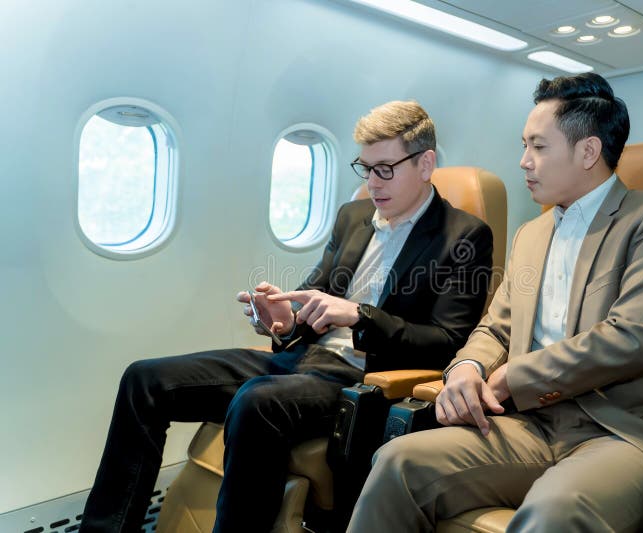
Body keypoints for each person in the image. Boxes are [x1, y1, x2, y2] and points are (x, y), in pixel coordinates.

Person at [79, 100, 493, 533]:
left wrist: (361, 317)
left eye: (385, 169)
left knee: (258, 401)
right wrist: (284, 320)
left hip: (362, 379)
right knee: (143, 380)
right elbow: (314, 296)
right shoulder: (353, 217)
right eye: (365, 168)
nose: (372, 182)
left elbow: (447, 341)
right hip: (300, 359)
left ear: (426, 163)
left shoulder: (463, 236)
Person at [348, 74, 643, 533]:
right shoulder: (531, 233)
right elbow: (494, 327)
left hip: (628, 431)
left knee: (553, 512)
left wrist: (510, 378)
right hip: (532, 425)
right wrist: (466, 369)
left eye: (539, 147)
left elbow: (636, 337)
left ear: (588, 152)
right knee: (396, 462)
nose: (524, 161)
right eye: (525, 146)